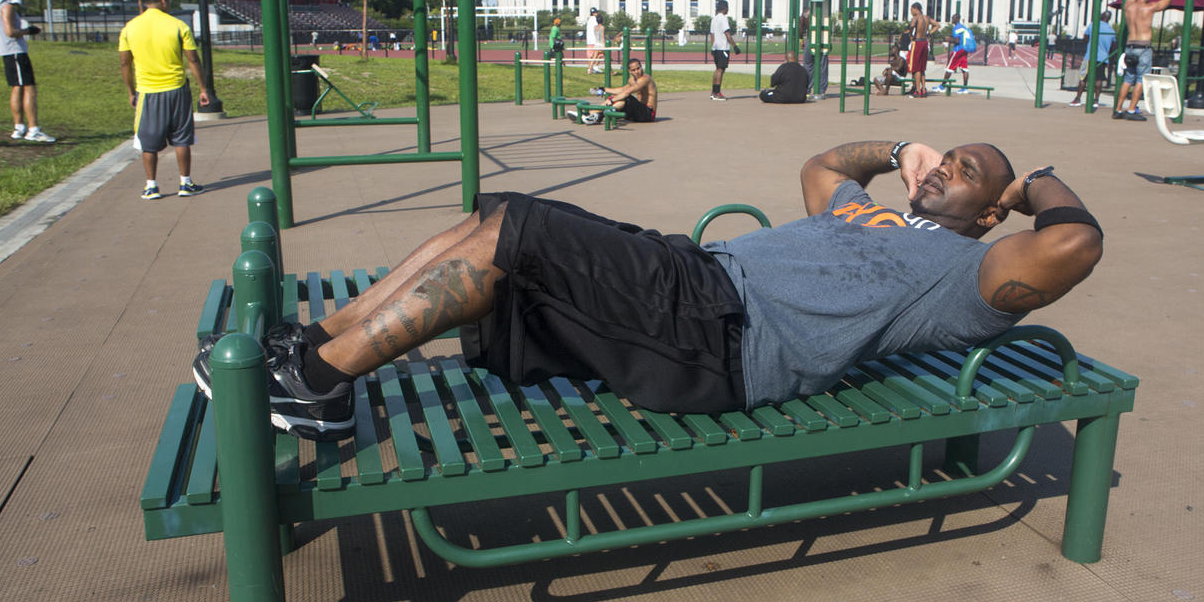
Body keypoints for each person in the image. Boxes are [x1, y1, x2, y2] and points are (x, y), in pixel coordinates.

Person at [192, 140, 1103, 440]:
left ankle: (319, 384)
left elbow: (1074, 242)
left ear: (993, 213)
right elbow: (823, 166)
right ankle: (318, 350)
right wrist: (899, 145)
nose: (945, 169)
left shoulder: (969, 274)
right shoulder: (870, 213)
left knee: (522, 230)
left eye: (966, 171)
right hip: (694, 279)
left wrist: (1035, 182)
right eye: (946, 159)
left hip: (724, 338)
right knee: (499, 217)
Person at [119, 0, 212, 199]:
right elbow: (193, 59)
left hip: (147, 92)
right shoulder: (178, 26)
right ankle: (185, 182)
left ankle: (151, 186)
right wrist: (203, 88)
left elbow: (125, 63)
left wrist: (131, 91)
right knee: (182, 138)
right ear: (164, 0)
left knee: (148, 142)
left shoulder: (129, 28)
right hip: (177, 89)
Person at [0, 0, 54, 144]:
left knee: (17, 87)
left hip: (7, 52)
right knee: (29, 87)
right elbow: (10, 31)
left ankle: (19, 127)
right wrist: (28, 31)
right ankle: (33, 129)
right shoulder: (7, 8)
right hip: (16, 52)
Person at [1113, 0, 1176, 120]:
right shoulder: (1150, 7)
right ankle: (1131, 110)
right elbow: (1168, 0)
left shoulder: (1128, 6)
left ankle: (1118, 109)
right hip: (1143, 47)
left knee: (1128, 79)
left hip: (1130, 46)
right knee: (1141, 79)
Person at [571, 57, 658, 124]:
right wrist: (604, 89)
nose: (637, 71)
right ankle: (593, 116)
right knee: (619, 99)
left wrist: (611, 101)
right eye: (633, 70)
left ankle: (591, 115)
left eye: (638, 68)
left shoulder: (645, 79)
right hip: (637, 113)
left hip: (648, 114)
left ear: (641, 67)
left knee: (625, 98)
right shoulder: (632, 80)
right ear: (629, 71)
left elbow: (627, 92)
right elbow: (622, 89)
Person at [1068, 11, 1117, 106]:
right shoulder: (1111, 31)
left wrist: (1091, 43)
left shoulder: (1093, 25)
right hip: (1103, 58)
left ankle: (1078, 98)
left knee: (1083, 78)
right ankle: (1096, 100)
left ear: (1101, 16)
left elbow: (1085, 37)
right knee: (1099, 79)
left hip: (1090, 56)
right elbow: (1113, 46)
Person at [707, 0, 740, 101]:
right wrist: (735, 46)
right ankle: (717, 93)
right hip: (723, 48)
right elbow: (727, 34)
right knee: (721, 70)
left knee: (717, 69)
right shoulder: (723, 19)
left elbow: (712, 35)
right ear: (725, 8)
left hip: (716, 47)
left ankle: (714, 92)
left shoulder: (714, 19)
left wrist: (713, 47)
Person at [907, 2, 939, 98]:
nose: (911, 12)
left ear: (916, 9)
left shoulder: (916, 18)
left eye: (911, 10)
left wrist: (911, 35)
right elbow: (937, 25)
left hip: (917, 42)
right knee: (922, 68)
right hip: (925, 42)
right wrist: (929, 33)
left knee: (916, 68)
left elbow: (912, 26)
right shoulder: (927, 18)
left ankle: (918, 90)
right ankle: (923, 89)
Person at [934, 14, 973, 93]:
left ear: (957, 19)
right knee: (964, 68)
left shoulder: (956, 28)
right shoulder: (963, 27)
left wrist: (948, 39)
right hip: (964, 49)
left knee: (949, 67)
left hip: (957, 50)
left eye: (953, 18)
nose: (952, 19)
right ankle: (965, 88)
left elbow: (957, 41)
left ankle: (942, 86)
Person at [799, 5, 830, 98]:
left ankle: (807, 89)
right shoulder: (824, 13)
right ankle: (821, 91)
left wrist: (801, 40)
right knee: (822, 66)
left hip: (811, 39)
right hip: (823, 39)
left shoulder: (806, 13)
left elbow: (800, 28)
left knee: (808, 65)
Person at [585, 8, 603, 73]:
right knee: (598, 54)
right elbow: (598, 29)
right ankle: (595, 67)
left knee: (590, 56)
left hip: (589, 41)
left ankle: (589, 68)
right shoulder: (595, 19)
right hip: (595, 40)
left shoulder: (589, 20)